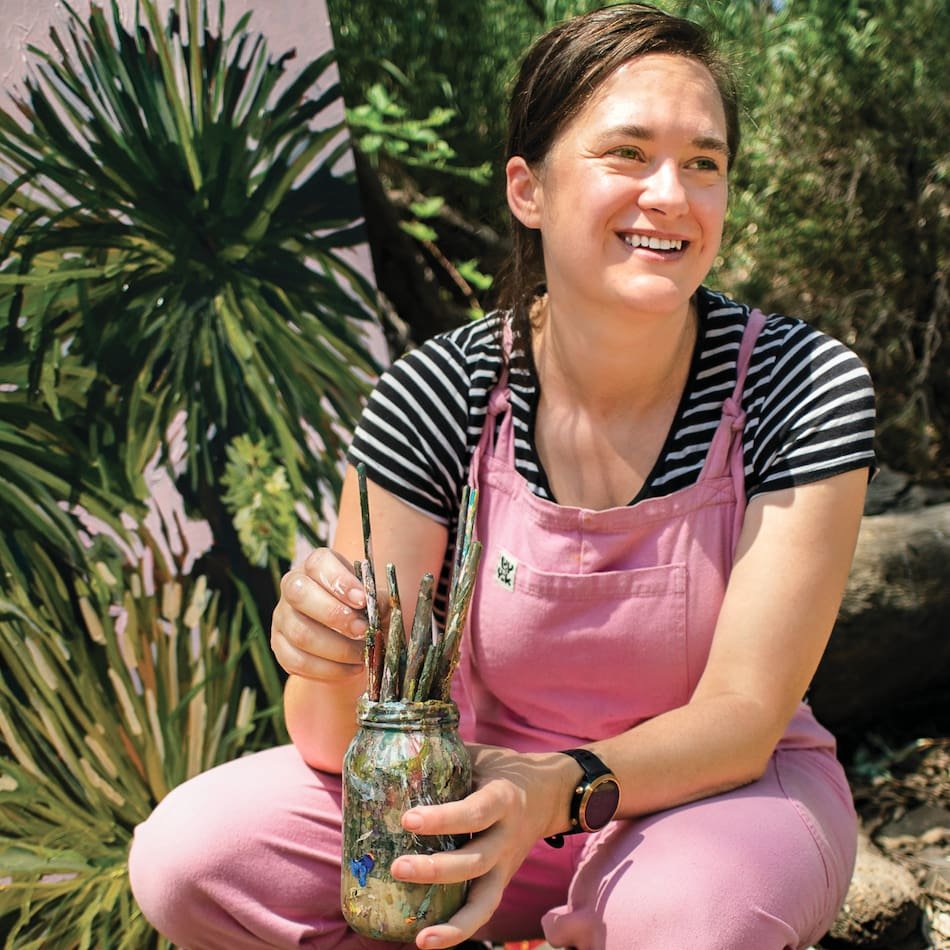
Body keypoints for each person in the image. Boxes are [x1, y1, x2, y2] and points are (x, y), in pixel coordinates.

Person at [128, 4, 876, 948]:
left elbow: (741, 717)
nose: (671, 194)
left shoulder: (800, 385)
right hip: (472, 788)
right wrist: (322, 651)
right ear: (528, 188)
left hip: (712, 803)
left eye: (704, 163)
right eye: (628, 153)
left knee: (687, 918)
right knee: (192, 856)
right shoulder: (437, 392)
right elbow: (335, 737)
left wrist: (552, 789)